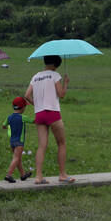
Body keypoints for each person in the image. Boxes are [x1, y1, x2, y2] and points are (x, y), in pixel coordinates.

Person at [24, 55, 74, 185]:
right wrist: (66, 84)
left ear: (45, 61)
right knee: (61, 143)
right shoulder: (54, 75)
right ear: (56, 65)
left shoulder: (36, 76)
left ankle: (38, 176)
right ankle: (62, 174)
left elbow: (27, 95)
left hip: (39, 114)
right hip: (53, 113)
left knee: (42, 146)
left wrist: (37, 105)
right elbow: (61, 94)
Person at [4, 96, 32, 183]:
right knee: (16, 158)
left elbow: (4, 125)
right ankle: (8, 175)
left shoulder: (9, 117)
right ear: (23, 107)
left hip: (12, 141)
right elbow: (34, 121)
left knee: (18, 158)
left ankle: (23, 175)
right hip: (20, 142)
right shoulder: (23, 117)